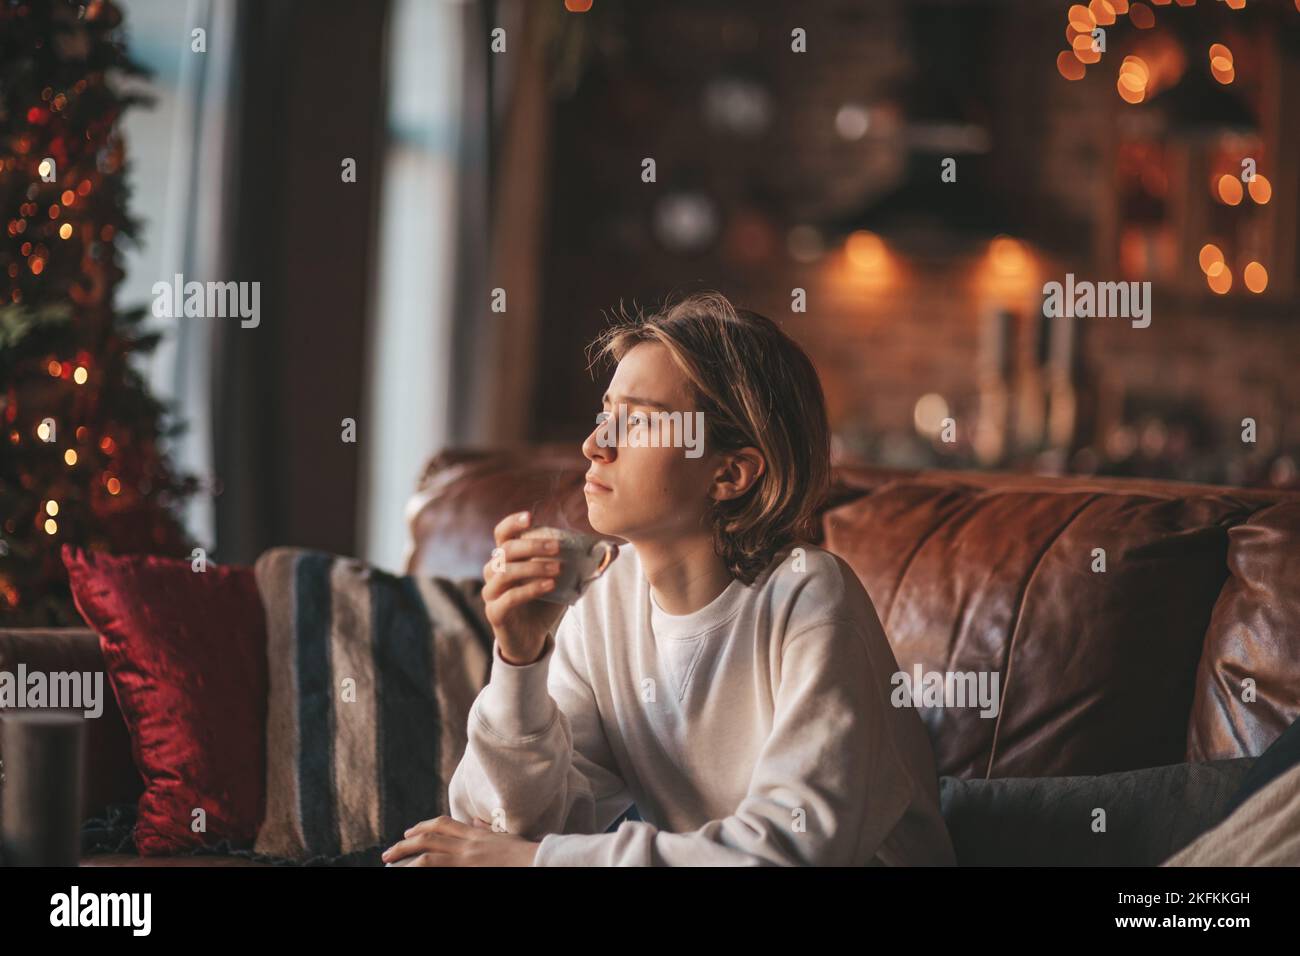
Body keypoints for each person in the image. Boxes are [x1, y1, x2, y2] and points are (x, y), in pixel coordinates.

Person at [382, 291, 957, 866]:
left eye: (637, 421)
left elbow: (787, 855)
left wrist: (528, 862)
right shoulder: (602, 603)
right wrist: (519, 659)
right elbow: (511, 823)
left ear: (730, 472)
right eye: (605, 414)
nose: (594, 445)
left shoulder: (808, 598)